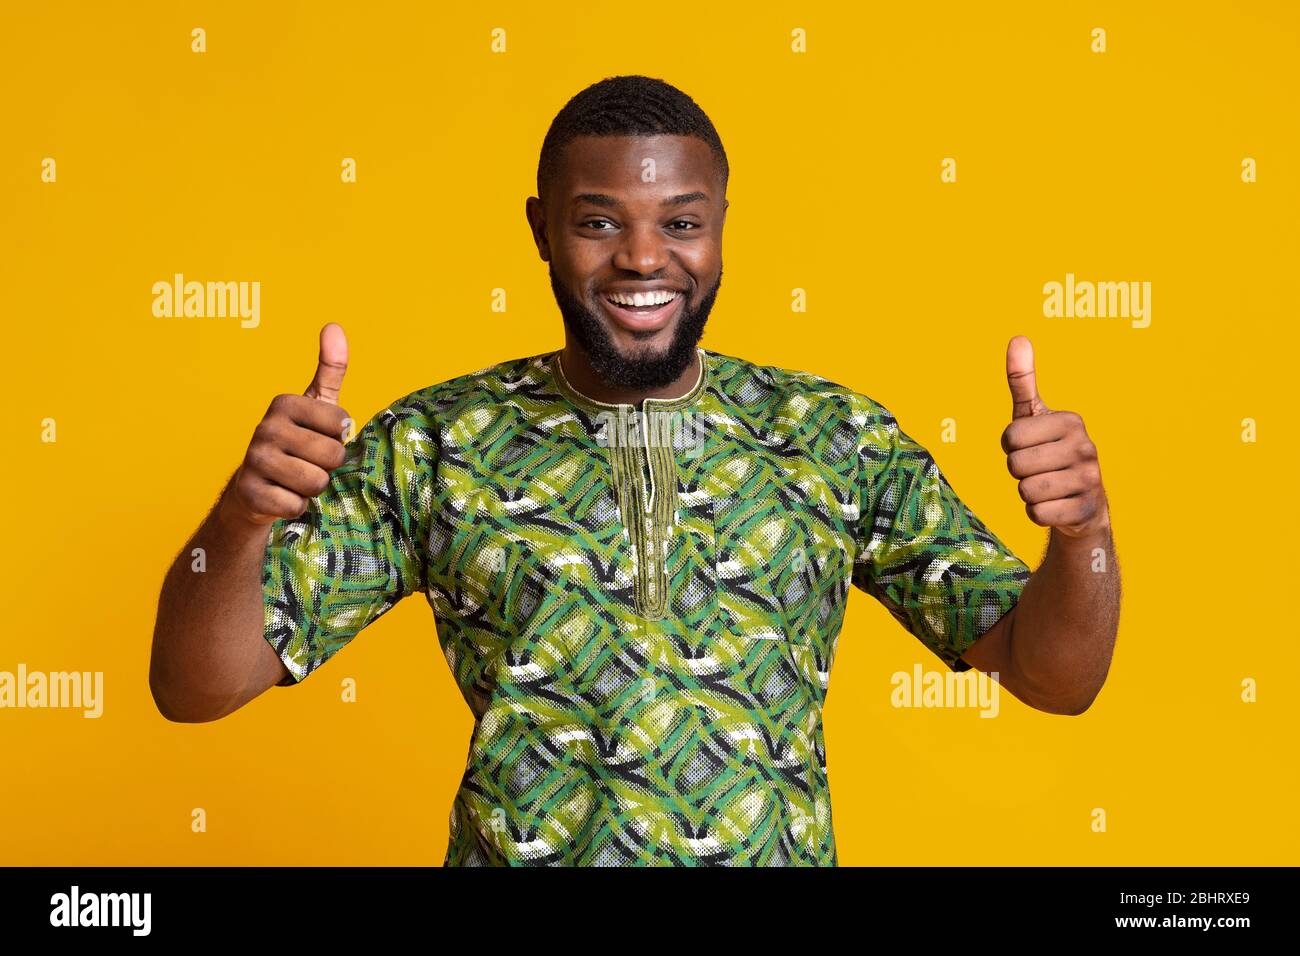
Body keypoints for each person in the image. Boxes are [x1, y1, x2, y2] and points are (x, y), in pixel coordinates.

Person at [150, 75, 1120, 866]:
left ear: (722, 227)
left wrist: (1083, 536)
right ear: (540, 229)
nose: (644, 256)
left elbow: (1052, 677)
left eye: (682, 222)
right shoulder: (437, 440)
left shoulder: (833, 433)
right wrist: (240, 520)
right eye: (599, 222)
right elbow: (199, 684)